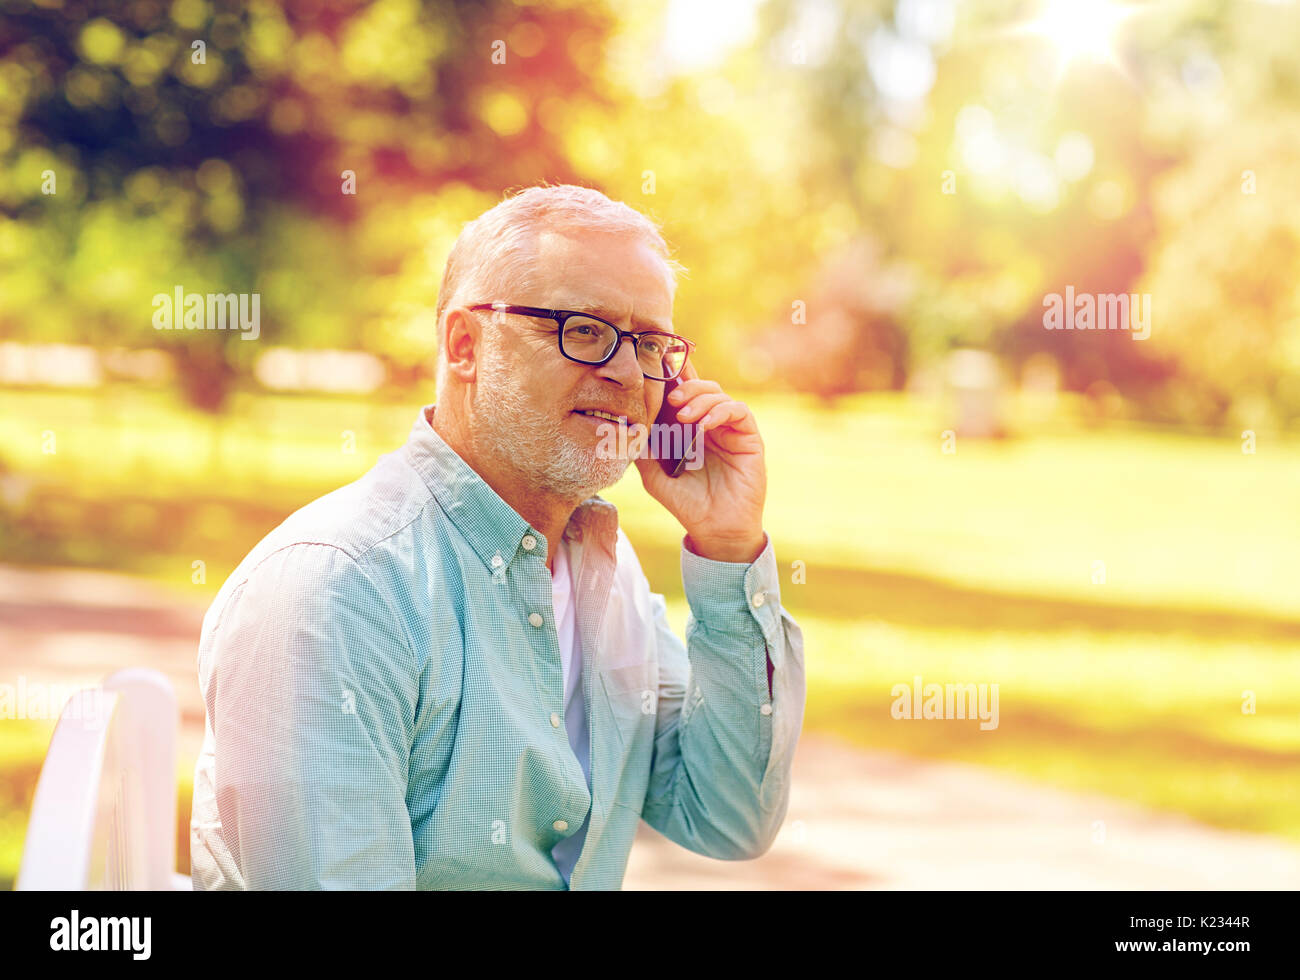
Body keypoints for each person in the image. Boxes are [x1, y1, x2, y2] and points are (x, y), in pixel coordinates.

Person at [190, 183, 805, 890]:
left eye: (651, 344)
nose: (628, 373)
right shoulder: (337, 592)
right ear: (464, 345)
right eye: (583, 329)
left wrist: (729, 546)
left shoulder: (608, 574)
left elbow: (726, 814)